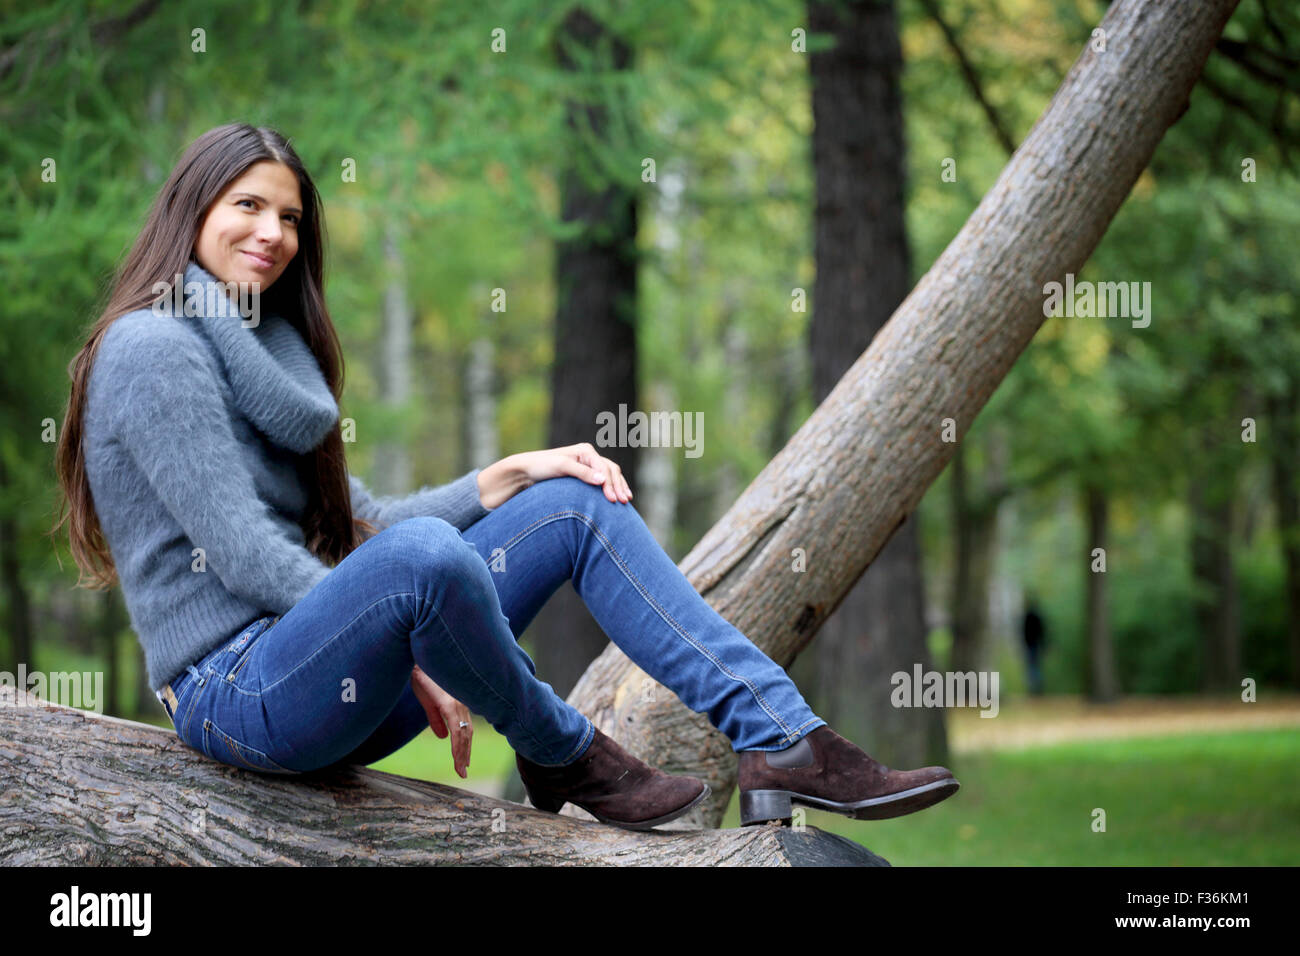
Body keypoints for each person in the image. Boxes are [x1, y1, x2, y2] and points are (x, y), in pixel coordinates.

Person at [52, 123, 959, 831]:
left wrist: (508, 475)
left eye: (290, 217)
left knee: (568, 503)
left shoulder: (268, 354)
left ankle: (782, 739)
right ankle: (562, 749)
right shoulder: (150, 348)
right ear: (192, 208)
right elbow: (250, 558)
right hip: (239, 698)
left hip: (327, 683)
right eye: (248, 206)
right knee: (421, 563)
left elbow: (360, 525)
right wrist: (389, 634)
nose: (273, 233)